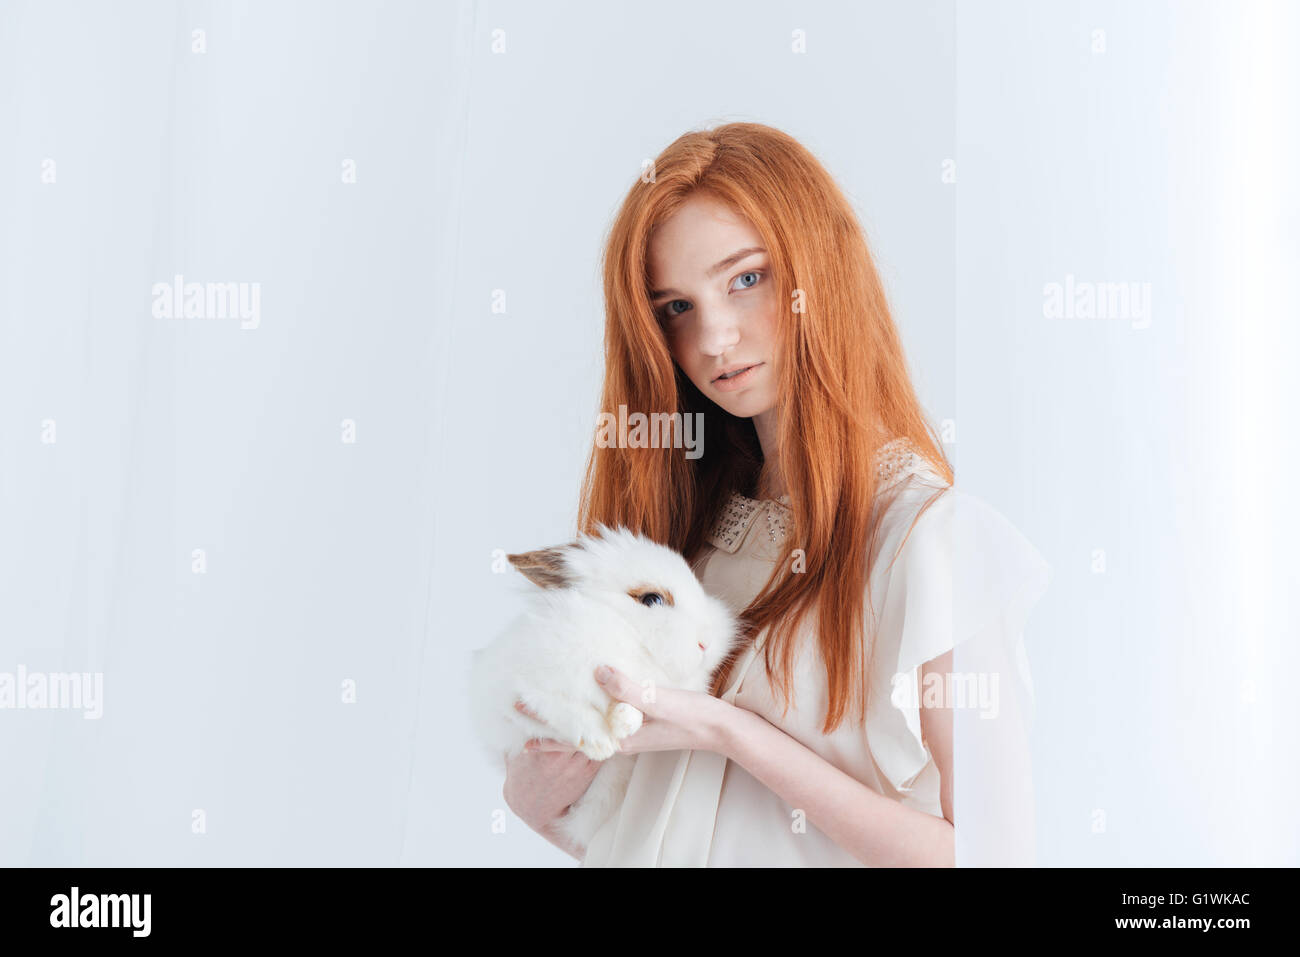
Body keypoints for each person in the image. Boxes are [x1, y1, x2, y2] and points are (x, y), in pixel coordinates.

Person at [502, 122, 1051, 866]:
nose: (715, 338)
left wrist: (731, 731)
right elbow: (645, 831)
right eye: (677, 307)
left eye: (745, 278)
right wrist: (534, 794)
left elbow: (996, 856)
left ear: (816, 271)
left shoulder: (933, 541)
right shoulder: (687, 542)